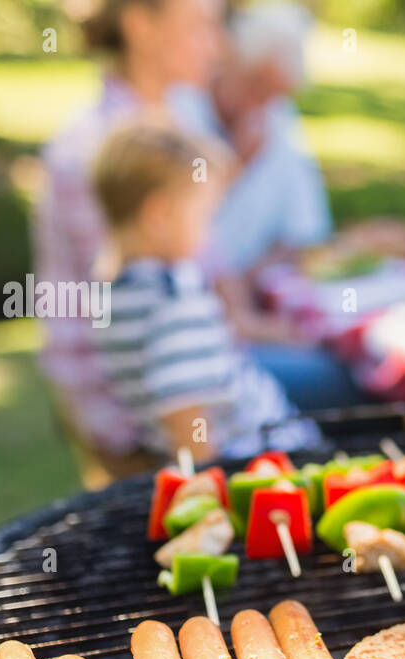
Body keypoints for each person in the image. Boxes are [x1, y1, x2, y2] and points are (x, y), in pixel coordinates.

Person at [34, 0, 225, 456]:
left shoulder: (182, 120)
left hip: (195, 374)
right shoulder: (101, 148)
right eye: (200, 27)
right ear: (140, 25)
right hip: (137, 412)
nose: (217, 47)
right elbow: (148, 325)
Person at [169, 2, 363, 411]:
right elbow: (174, 236)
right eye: (256, 86)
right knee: (344, 379)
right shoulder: (177, 112)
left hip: (248, 309)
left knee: (357, 364)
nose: (263, 106)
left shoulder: (279, 122)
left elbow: (304, 235)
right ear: (230, 61)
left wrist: (249, 283)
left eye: (274, 94)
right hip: (203, 329)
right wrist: (234, 167)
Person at [90, 122, 318, 462]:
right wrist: (207, 487)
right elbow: (185, 411)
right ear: (159, 215)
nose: (207, 233)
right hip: (263, 465)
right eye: (203, 215)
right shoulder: (175, 301)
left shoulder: (114, 290)